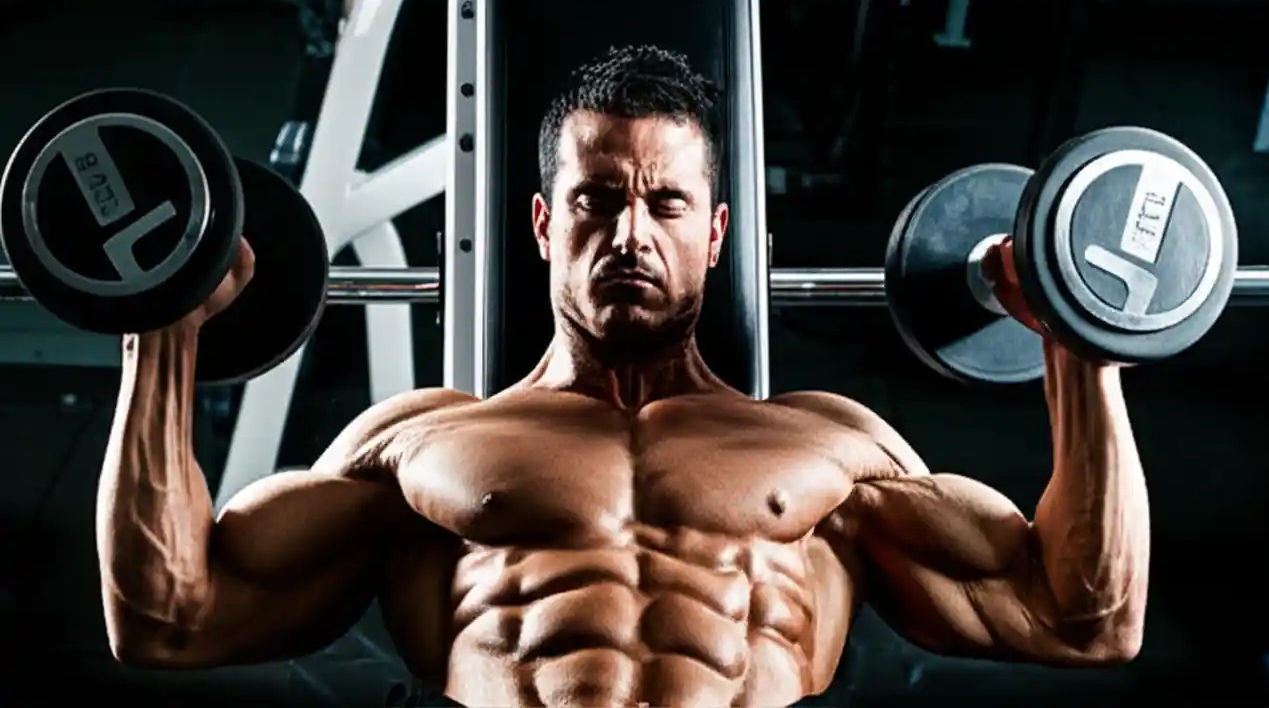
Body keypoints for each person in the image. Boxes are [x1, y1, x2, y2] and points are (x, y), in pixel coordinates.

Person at [97, 45, 1149, 707]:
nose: (629, 233)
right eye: (596, 199)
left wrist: (1078, 342)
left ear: (718, 236)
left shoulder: (831, 447)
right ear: (546, 225)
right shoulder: (417, 444)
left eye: (666, 204)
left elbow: (1082, 619)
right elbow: (170, 619)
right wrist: (162, 332)